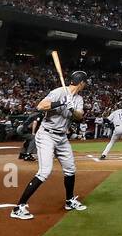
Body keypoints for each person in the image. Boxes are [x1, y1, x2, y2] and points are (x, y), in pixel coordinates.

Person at [11, 71, 88, 220]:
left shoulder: (78, 99)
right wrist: (61, 102)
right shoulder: (58, 92)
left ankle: (69, 200)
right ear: (81, 83)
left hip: (62, 137)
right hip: (47, 134)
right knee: (45, 171)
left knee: (70, 169)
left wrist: (72, 109)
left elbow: (80, 117)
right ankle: (19, 207)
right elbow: (40, 106)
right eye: (85, 83)